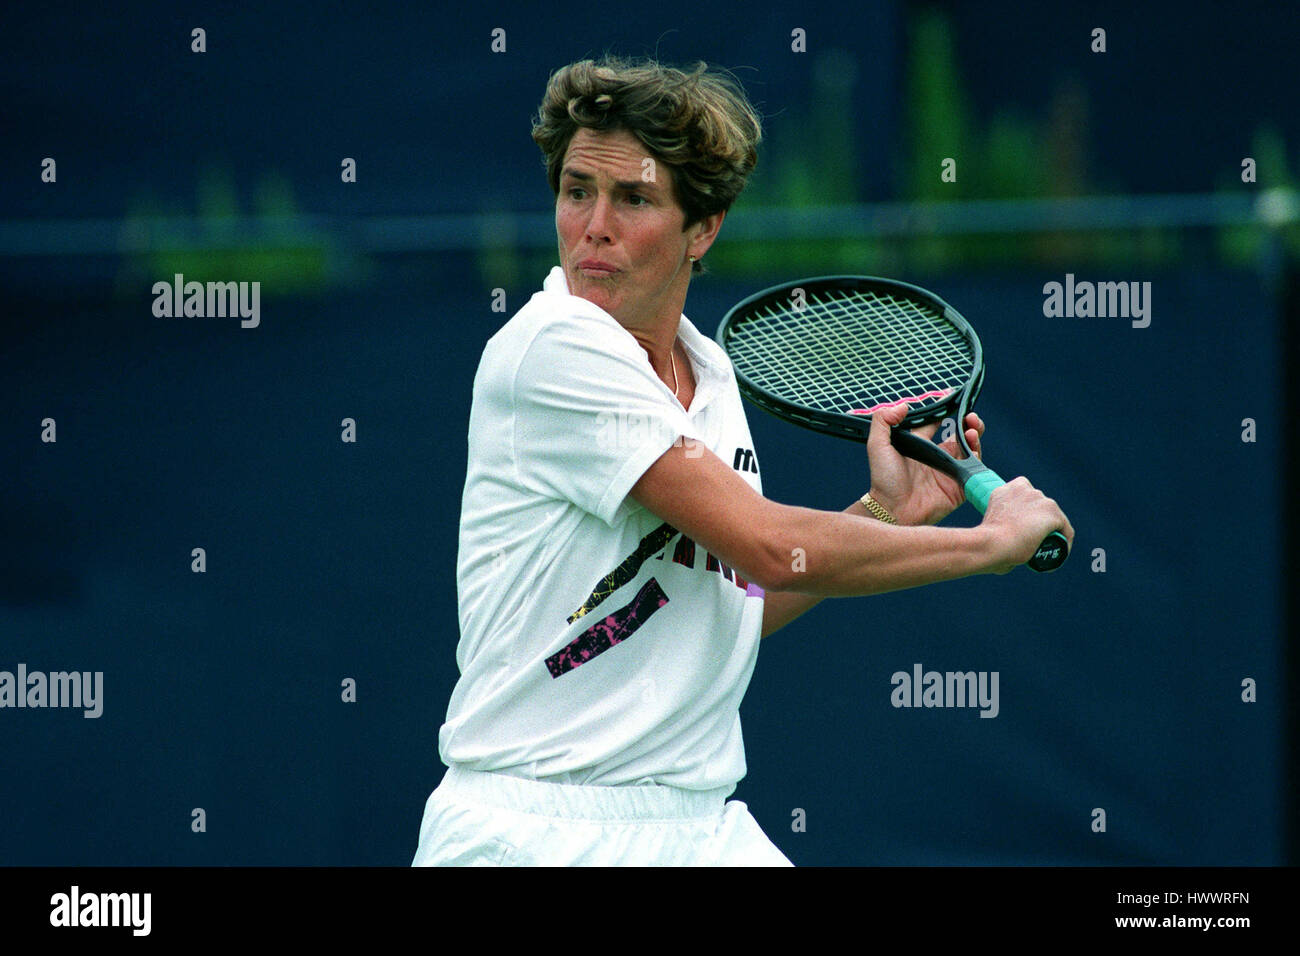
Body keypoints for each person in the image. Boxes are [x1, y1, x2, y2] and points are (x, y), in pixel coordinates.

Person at [411, 56, 1072, 867]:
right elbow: (763, 542)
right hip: (535, 831)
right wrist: (989, 544)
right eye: (578, 189)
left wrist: (884, 515)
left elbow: (727, 604)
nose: (595, 225)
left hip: (696, 825)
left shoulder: (710, 378)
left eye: (635, 198)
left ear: (704, 227)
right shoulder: (551, 349)